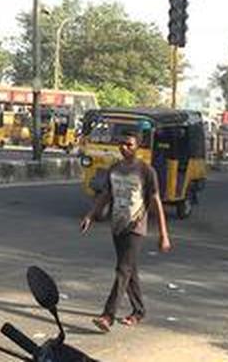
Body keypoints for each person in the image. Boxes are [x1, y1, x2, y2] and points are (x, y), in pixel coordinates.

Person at [81, 133, 172, 332]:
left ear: (137, 146)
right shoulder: (114, 169)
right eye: (122, 143)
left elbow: (156, 201)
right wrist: (90, 215)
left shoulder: (146, 171)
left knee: (123, 270)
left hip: (135, 227)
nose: (124, 147)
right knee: (129, 270)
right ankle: (139, 310)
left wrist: (164, 234)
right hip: (117, 225)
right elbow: (106, 194)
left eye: (129, 144)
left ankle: (108, 316)